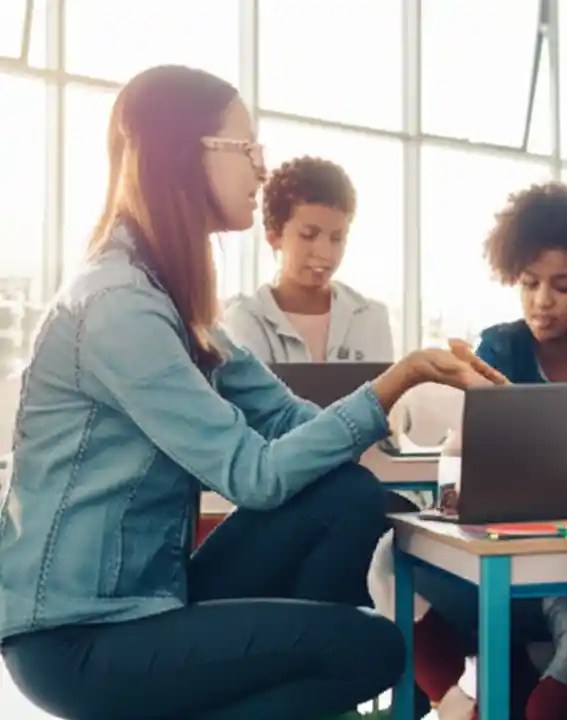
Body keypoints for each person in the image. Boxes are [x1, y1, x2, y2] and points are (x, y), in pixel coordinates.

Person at [0, 65, 501, 720]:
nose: (262, 169)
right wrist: (394, 381)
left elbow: (288, 417)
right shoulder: (120, 304)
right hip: (77, 637)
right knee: (369, 649)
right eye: (247, 148)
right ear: (187, 154)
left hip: (154, 601)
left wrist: (415, 491)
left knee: (350, 497)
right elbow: (253, 476)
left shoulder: (170, 294)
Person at [382, 182, 567, 720]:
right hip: (501, 552)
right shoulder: (499, 347)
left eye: (563, 286)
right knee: (387, 559)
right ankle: (458, 707)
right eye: (529, 284)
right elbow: (472, 448)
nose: (541, 301)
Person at [223, 155, 393, 364]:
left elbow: (386, 396)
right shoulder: (245, 319)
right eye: (308, 235)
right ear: (274, 236)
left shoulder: (371, 318)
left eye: (336, 238)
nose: (324, 252)